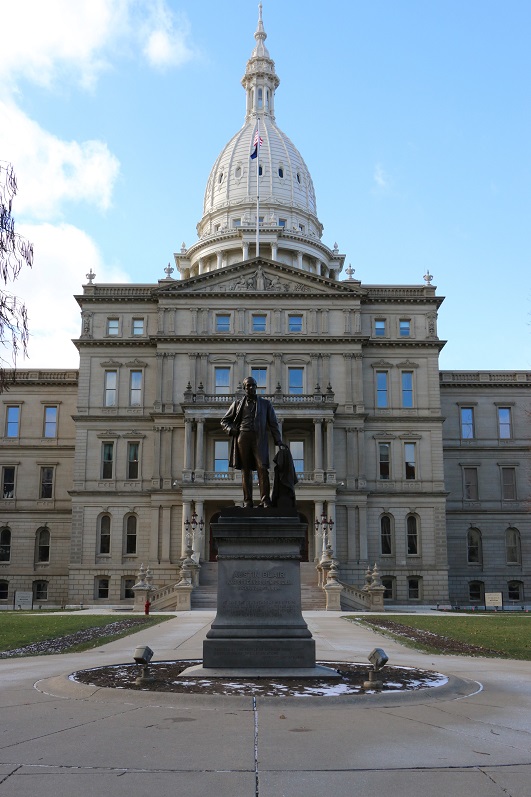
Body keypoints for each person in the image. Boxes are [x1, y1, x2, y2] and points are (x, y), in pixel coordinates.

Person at [221, 376, 286, 508]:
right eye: (248, 386)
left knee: (262, 468)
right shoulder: (237, 404)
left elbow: (273, 424)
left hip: (259, 438)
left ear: (256, 387)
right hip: (243, 437)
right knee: (245, 471)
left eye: (253, 385)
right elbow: (224, 421)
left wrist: (278, 440)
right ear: (245, 388)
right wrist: (231, 428)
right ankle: (247, 501)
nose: (251, 388)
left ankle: (265, 500)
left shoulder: (266, 404)